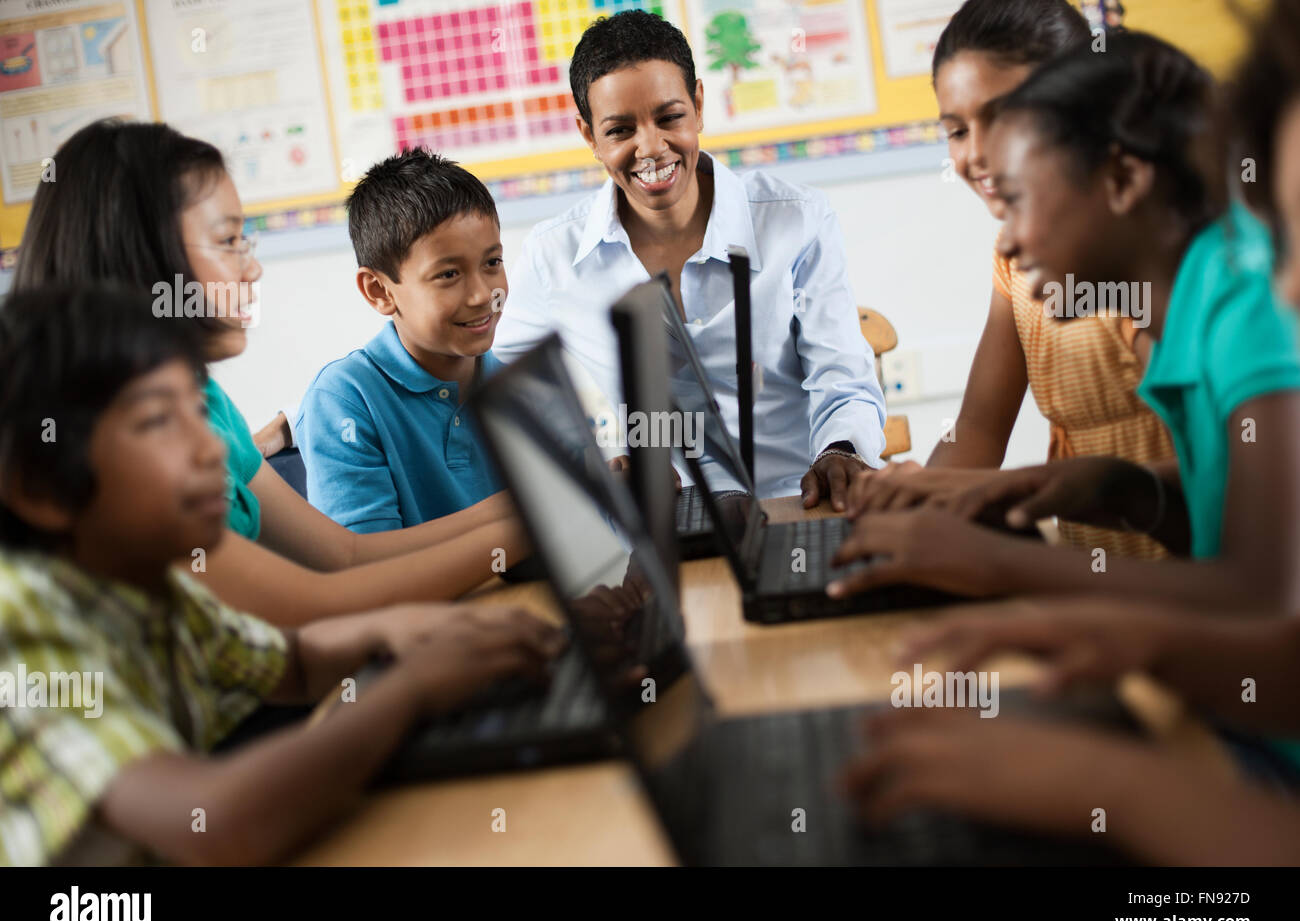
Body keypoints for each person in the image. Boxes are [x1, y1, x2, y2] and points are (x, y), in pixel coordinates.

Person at [0, 286, 563, 865]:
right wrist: (412, 689)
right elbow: (212, 824)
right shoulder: (23, 622)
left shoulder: (151, 585)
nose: (211, 452)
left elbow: (292, 662)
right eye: (157, 422)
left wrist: (412, 635)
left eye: (198, 414)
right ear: (40, 490)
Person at [830, 31, 1300, 613]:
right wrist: (1117, 486)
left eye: (1020, 197)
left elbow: (1266, 601)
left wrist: (1001, 563)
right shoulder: (1190, 302)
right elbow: (1218, 525)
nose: (1007, 237)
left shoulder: (1246, 305)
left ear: (1123, 180)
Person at [12, 120, 529, 626]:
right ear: (141, 257)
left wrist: (527, 511)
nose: (252, 267)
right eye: (229, 241)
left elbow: (345, 557)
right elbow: (327, 600)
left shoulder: (207, 403)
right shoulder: (112, 447)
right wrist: (529, 524)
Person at [494, 11, 888, 509]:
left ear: (698, 106)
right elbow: (505, 388)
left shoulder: (797, 221)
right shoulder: (555, 257)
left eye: (669, 117)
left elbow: (842, 375)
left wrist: (841, 449)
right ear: (589, 136)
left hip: (796, 503)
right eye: (619, 130)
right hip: (666, 526)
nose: (651, 147)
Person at [853, 0, 1174, 561]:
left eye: (1002, 118)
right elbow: (977, 426)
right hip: (1097, 573)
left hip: (1182, 579)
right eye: (955, 131)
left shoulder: (1136, 253)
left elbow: (1220, 473)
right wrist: (923, 493)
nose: (976, 154)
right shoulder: (1017, 260)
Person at [296, 150, 508, 531]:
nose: (481, 295)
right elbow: (370, 566)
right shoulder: (344, 399)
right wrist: (513, 521)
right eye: (448, 274)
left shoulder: (524, 389)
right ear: (379, 291)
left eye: (492, 263)